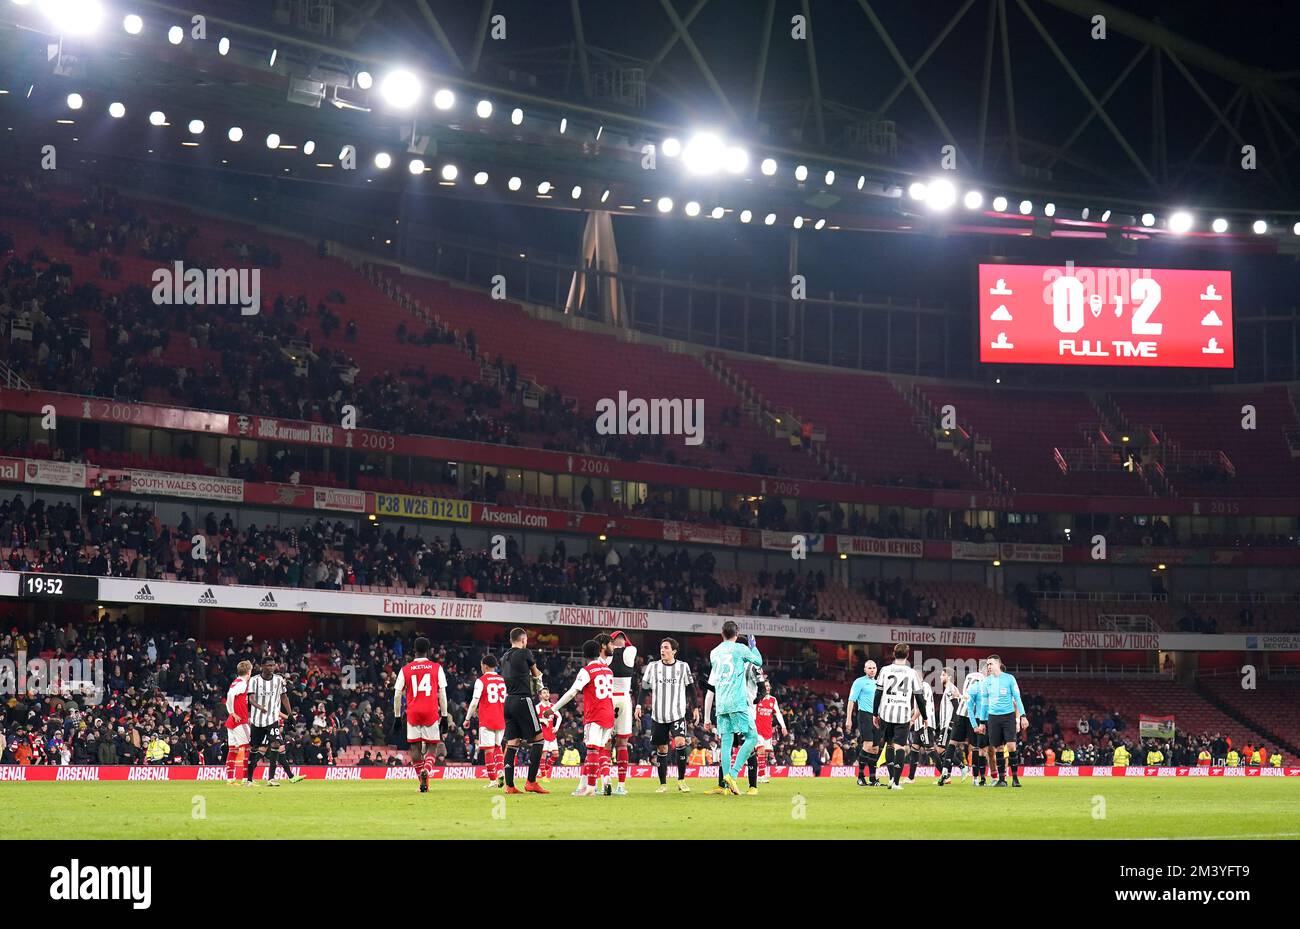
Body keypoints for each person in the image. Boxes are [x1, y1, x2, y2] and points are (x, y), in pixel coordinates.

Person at [703, 621, 763, 796]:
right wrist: (753, 646)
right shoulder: (740, 649)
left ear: (721, 633)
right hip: (737, 701)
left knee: (727, 743)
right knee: (752, 738)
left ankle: (726, 786)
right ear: (737, 634)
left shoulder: (714, 652)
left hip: (721, 703)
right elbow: (758, 661)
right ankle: (733, 775)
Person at [550, 639, 614, 797]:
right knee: (598, 750)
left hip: (595, 714)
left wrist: (553, 708)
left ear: (584, 655)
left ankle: (591, 788)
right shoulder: (608, 670)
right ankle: (605, 779)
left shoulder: (587, 671)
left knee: (592, 750)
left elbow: (572, 693)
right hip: (609, 714)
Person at [638, 636, 697, 793]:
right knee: (662, 749)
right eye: (661, 647)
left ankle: (681, 780)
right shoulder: (653, 667)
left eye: (666, 648)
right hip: (658, 716)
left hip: (677, 713)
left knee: (679, 742)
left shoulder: (683, 667)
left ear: (674, 651)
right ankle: (663, 783)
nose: (662, 650)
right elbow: (644, 688)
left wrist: (695, 708)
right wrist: (638, 705)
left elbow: (691, 688)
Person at [392, 636, 449, 794]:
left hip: (413, 712)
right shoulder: (436, 668)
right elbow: (442, 693)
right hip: (430, 710)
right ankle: (427, 770)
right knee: (432, 745)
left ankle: (422, 782)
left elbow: (397, 694)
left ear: (414, 651)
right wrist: (444, 715)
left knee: (415, 747)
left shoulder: (406, 669)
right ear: (429, 651)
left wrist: (397, 716)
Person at [497, 627, 548, 794]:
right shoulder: (525, 653)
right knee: (539, 739)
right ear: (524, 640)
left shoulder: (504, 657)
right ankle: (531, 782)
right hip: (523, 699)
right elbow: (536, 674)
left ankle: (510, 786)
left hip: (509, 701)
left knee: (512, 743)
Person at [873, 643, 925, 790]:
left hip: (885, 712)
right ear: (908, 655)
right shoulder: (911, 672)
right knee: (900, 747)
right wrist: (925, 717)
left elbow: (878, 694)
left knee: (889, 744)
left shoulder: (884, 670)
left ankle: (890, 778)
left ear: (893, 653)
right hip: (902, 714)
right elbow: (919, 698)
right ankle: (895, 782)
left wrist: (874, 714)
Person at [971, 655, 1028, 788]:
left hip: (1008, 716)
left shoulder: (1009, 679)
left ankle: (1015, 778)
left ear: (998, 664)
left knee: (1011, 746)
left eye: (991, 664)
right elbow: (984, 704)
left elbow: (1017, 698)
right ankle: (1002, 780)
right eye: (988, 664)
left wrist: (1022, 716)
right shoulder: (986, 682)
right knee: (998, 748)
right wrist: (982, 722)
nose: (989, 667)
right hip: (993, 717)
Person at [246, 658, 297, 786]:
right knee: (254, 748)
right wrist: (259, 707)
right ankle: (249, 779)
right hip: (257, 720)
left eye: (273, 665)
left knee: (275, 745)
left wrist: (290, 714)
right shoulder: (254, 680)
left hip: (272, 720)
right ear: (262, 666)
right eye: (268, 665)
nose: (271, 667)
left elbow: (284, 696)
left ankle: (271, 779)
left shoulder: (279, 680)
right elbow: (250, 699)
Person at [601, 631, 638, 795]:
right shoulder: (631, 652)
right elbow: (630, 646)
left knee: (605, 743)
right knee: (622, 744)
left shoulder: (605, 657)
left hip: (608, 699)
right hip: (624, 699)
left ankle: (605, 779)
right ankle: (621, 785)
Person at [463, 654, 507, 789]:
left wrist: (467, 718)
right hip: (500, 718)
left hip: (487, 719)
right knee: (498, 747)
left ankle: (493, 779)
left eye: (481, 665)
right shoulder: (502, 680)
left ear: (485, 666)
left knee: (488, 750)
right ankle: (501, 772)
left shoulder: (481, 681)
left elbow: (475, 700)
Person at [846, 659, 882, 787]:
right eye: (869, 668)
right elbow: (851, 701)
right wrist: (848, 718)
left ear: (877, 669)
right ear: (865, 670)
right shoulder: (859, 682)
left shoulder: (879, 683)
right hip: (865, 715)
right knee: (867, 745)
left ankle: (873, 779)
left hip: (877, 717)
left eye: (874, 668)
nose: (872, 670)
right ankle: (860, 777)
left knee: (875, 748)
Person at [224, 659, 253, 785]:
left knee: (233, 749)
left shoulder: (236, 681)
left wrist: (231, 713)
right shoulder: (241, 684)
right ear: (249, 671)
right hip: (239, 720)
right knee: (248, 748)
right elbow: (230, 695)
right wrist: (232, 712)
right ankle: (246, 778)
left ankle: (230, 778)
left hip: (232, 721)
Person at [753, 680, 787, 784]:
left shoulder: (773, 700)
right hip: (757, 730)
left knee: (766, 754)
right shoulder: (756, 698)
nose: (767, 687)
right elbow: (752, 713)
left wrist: (783, 726)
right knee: (761, 751)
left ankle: (762, 774)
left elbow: (778, 714)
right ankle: (760, 775)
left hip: (768, 731)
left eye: (768, 686)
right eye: (765, 686)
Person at [536, 688, 559, 782]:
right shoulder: (538, 707)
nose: (546, 694)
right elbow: (534, 719)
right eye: (544, 693)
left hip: (551, 733)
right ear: (540, 695)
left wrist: (556, 727)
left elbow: (560, 717)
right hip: (543, 734)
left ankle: (543, 770)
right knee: (544, 755)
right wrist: (542, 720)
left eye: (547, 692)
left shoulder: (552, 706)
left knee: (555, 755)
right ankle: (544, 776)